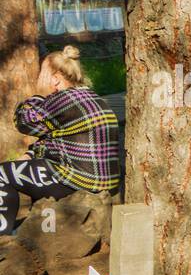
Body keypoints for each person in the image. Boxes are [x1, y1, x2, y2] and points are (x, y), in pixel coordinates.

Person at [2, 47, 119, 235]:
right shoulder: (90, 97)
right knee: (30, 168)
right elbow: (54, 138)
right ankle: (38, 230)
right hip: (103, 182)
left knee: (1, 173)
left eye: (42, 75)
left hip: (81, 182)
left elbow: (23, 121)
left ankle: (3, 237)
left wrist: (39, 94)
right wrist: (30, 154)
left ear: (55, 79)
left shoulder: (62, 100)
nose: (38, 79)